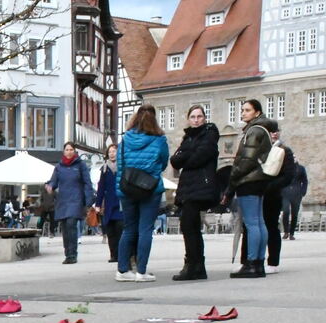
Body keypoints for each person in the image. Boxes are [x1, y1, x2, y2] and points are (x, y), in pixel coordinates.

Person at [115, 104, 169, 282]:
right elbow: (163, 163)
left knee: (128, 229)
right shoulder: (159, 140)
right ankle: (141, 271)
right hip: (150, 188)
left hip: (127, 188)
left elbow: (121, 165)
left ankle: (122, 270)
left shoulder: (125, 140)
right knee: (145, 229)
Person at [227, 99, 276, 278]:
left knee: (252, 223)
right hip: (259, 180)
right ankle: (258, 262)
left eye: (247, 110)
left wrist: (234, 175)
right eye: (242, 110)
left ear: (257, 113)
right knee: (259, 222)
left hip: (249, 180)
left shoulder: (254, 130)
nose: (243, 113)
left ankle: (252, 263)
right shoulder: (262, 129)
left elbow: (247, 159)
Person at [169, 105, 220, 280]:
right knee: (190, 227)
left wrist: (187, 156)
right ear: (188, 119)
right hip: (188, 187)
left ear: (204, 118)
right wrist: (188, 155)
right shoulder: (188, 137)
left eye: (199, 116)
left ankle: (192, 264)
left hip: (201, 186)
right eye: (193, 117)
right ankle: (197, 265)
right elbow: (175, 160)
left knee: (189, 226)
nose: (196, 119)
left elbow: (201, 156)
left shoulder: (209, 134)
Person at [240, 124, 296, 275]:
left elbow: (288, 175)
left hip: (272, 195)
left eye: (276, 131)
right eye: (270, 132)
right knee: (249, 227)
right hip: (255, 193)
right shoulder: (257, 150)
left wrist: (270, 186)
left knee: (271, 227)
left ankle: (273, 261)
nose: (274, 134)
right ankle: (246, 260)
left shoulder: (284, 151)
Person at [46, 142, 95, 263]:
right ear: (64, 151)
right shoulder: (59, 167)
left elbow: (87, 183)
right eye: (67, 150)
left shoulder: (80, 165)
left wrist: (89, 201)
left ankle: (72, 255)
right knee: (65, 228)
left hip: (76, 200)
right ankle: (67, 253)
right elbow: (53, 181)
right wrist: (50, 186)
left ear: (74, 151)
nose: (69, 152)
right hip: (63, 201)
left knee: (71, 225)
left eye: (71, 149)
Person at [93, 143, 124, 265]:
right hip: (109, 204)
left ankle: (122, 254)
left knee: (120, 230)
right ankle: (113, 255)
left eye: (114, 151)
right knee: (110, 231)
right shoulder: (104, 169)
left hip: (121, 203)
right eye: (110, 152)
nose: (112, 154)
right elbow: (101, 188)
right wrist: (98, 204)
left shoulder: (123, 167)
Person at [280, 161, 307, 240]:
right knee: (286, 211)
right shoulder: (284, 167)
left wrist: (303, 192)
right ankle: (286, 232)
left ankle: (292, 233)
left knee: (294, 214)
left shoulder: (301, 168)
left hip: (296, 194)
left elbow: (305, 181)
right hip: (286, 193)